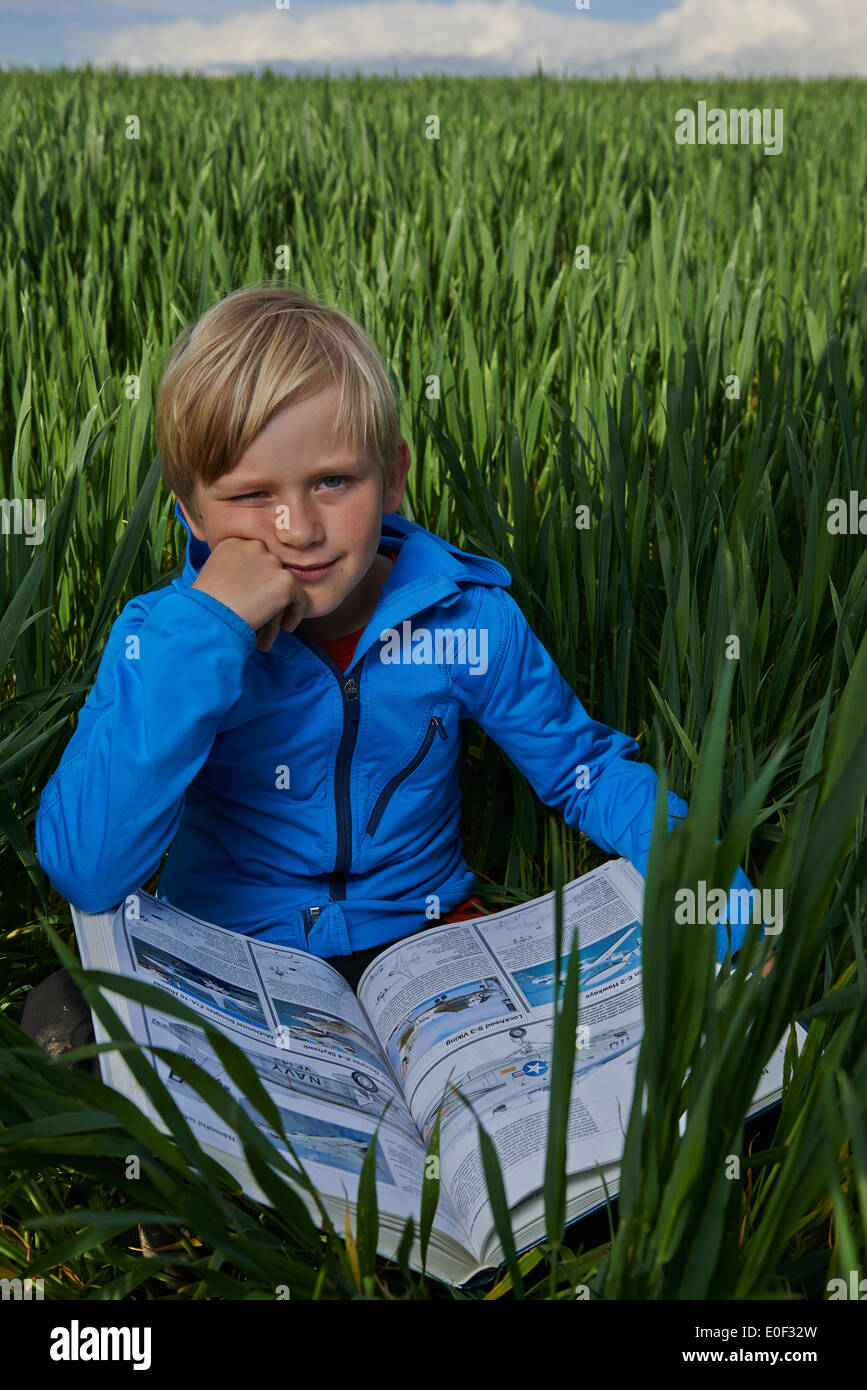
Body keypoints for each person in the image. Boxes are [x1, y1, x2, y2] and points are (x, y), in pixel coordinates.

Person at [26, 283, 762, 1050]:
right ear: (192, 516)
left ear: (393, 475)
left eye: (333, 482)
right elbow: (89, 869)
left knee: (681, 1016)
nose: (299, 529)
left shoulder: (465, 618)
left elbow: (583, 769)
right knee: (65, 1016)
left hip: (420, 942)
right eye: (250, 495)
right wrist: (207, 632)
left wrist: (703, 881)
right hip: (233, 951)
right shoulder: (160, 637)